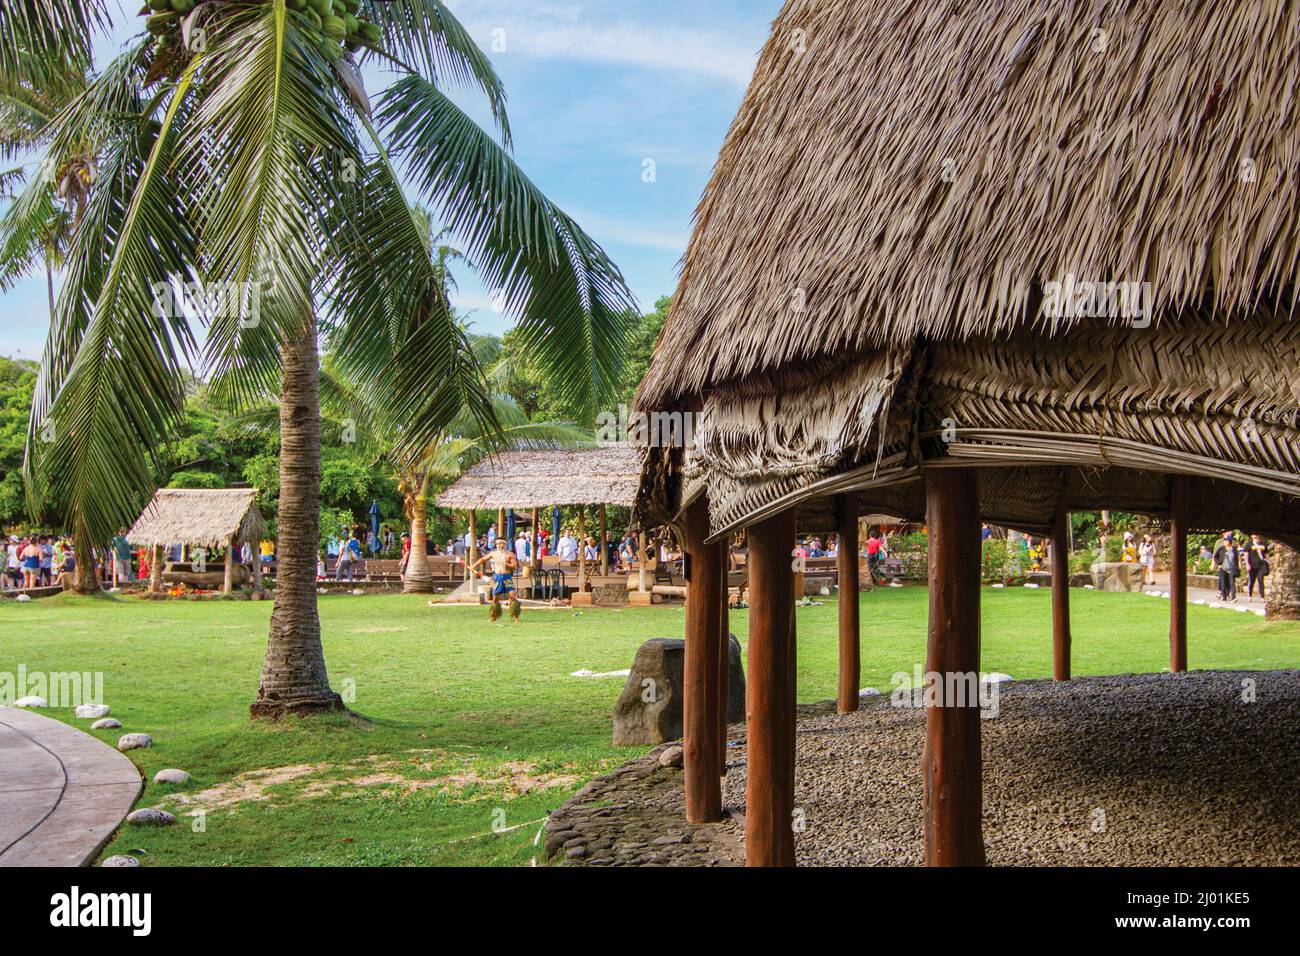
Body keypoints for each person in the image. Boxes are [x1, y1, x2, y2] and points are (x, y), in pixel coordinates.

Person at [470, 538, 520, 622]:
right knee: (495, 598)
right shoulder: (493, 553)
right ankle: (493, 616)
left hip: (507, 577)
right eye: (497, 544)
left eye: (501, 543)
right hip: (497, 577)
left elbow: (514, 566)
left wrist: (505, 563)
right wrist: (473, 566)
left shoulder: (510, 554)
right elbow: (483, 559)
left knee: (512, 596)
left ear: (504, 544)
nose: (499, 545)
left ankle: (516, 617)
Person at [1213, 531, 1241, 602]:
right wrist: (1218, 564)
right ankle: (1224, 596)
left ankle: (1233, 597)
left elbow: (1237, 558)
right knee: (1223, 582)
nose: (1225, 542)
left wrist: (1238, 566)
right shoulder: (1221, 548)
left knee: (1232, 582)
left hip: (1231, 568)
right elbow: (1215, 556)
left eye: (1227, 541)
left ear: (1230, 541)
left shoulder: (1234, 549)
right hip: (1223, 568)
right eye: (1225, 540)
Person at [1246, 533, 1270, 599]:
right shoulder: (1249, 544)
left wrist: (1268, 561)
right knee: (1252, 580)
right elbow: (1246, 554)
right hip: (1252, 564)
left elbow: (1266, 553)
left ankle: (1262, 596)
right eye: (1253, 535)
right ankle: (1250, 595)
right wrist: (1247, 563)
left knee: (1260, 579)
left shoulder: (1263, 543)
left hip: (1261, 564)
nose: (1255, 536)